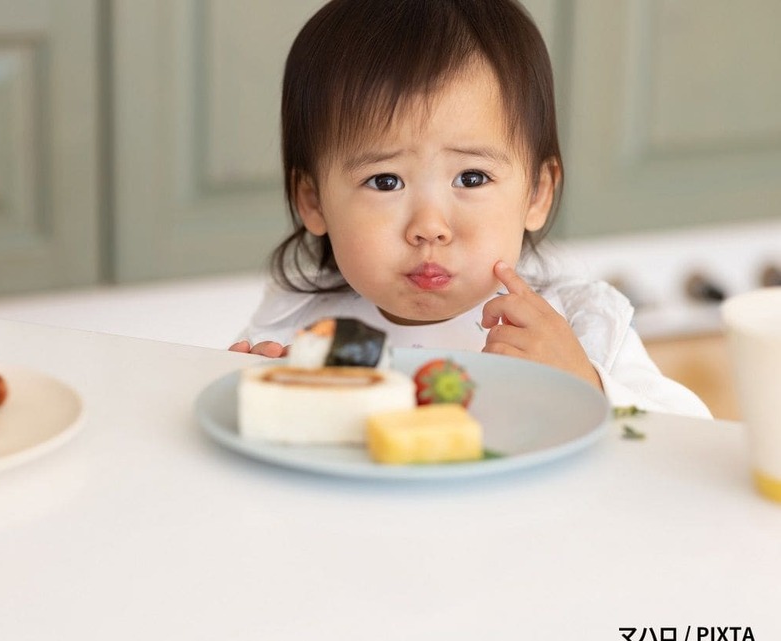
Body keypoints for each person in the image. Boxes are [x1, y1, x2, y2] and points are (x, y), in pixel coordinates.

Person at [229, 0, 711, 418]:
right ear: (313, 201)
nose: (429, 228)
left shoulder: (574, 329)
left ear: (537, 194)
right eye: (385, 180)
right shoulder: (298, 323)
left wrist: (588, 387)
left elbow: (690, 444)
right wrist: (257, 393)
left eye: (472, 178)